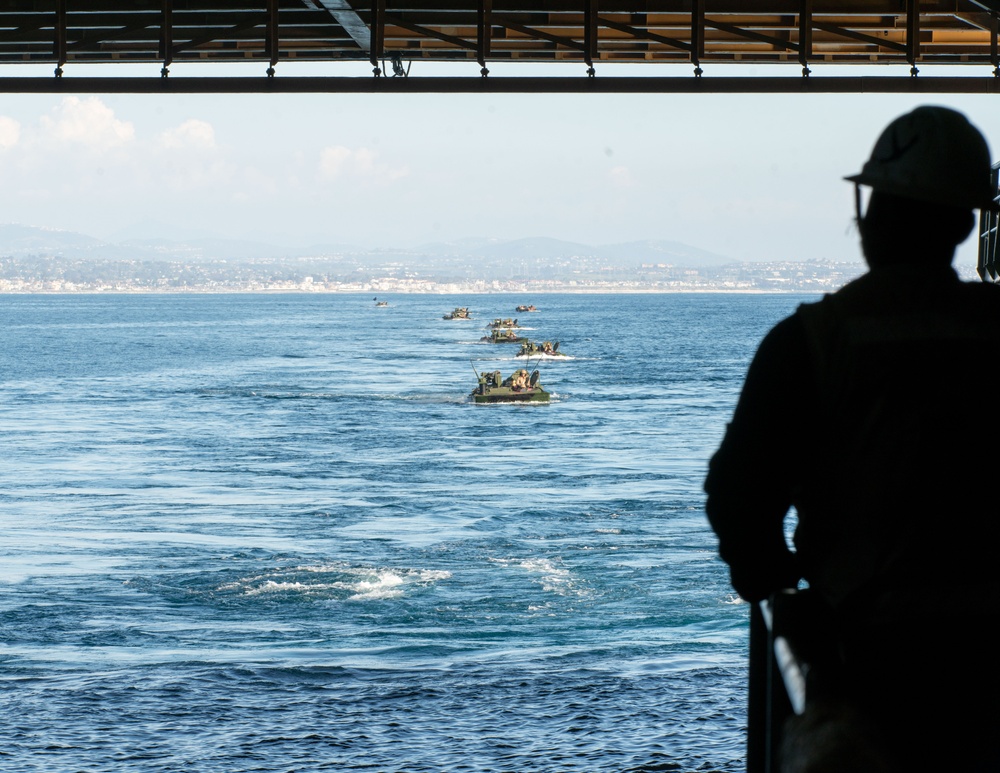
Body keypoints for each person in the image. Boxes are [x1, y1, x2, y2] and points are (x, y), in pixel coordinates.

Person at [704, 105, 1000, 773]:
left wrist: (780, 590)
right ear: (964, 221)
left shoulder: (812, 341)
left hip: (863, 657)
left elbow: (738, 496)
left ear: (870, 214)